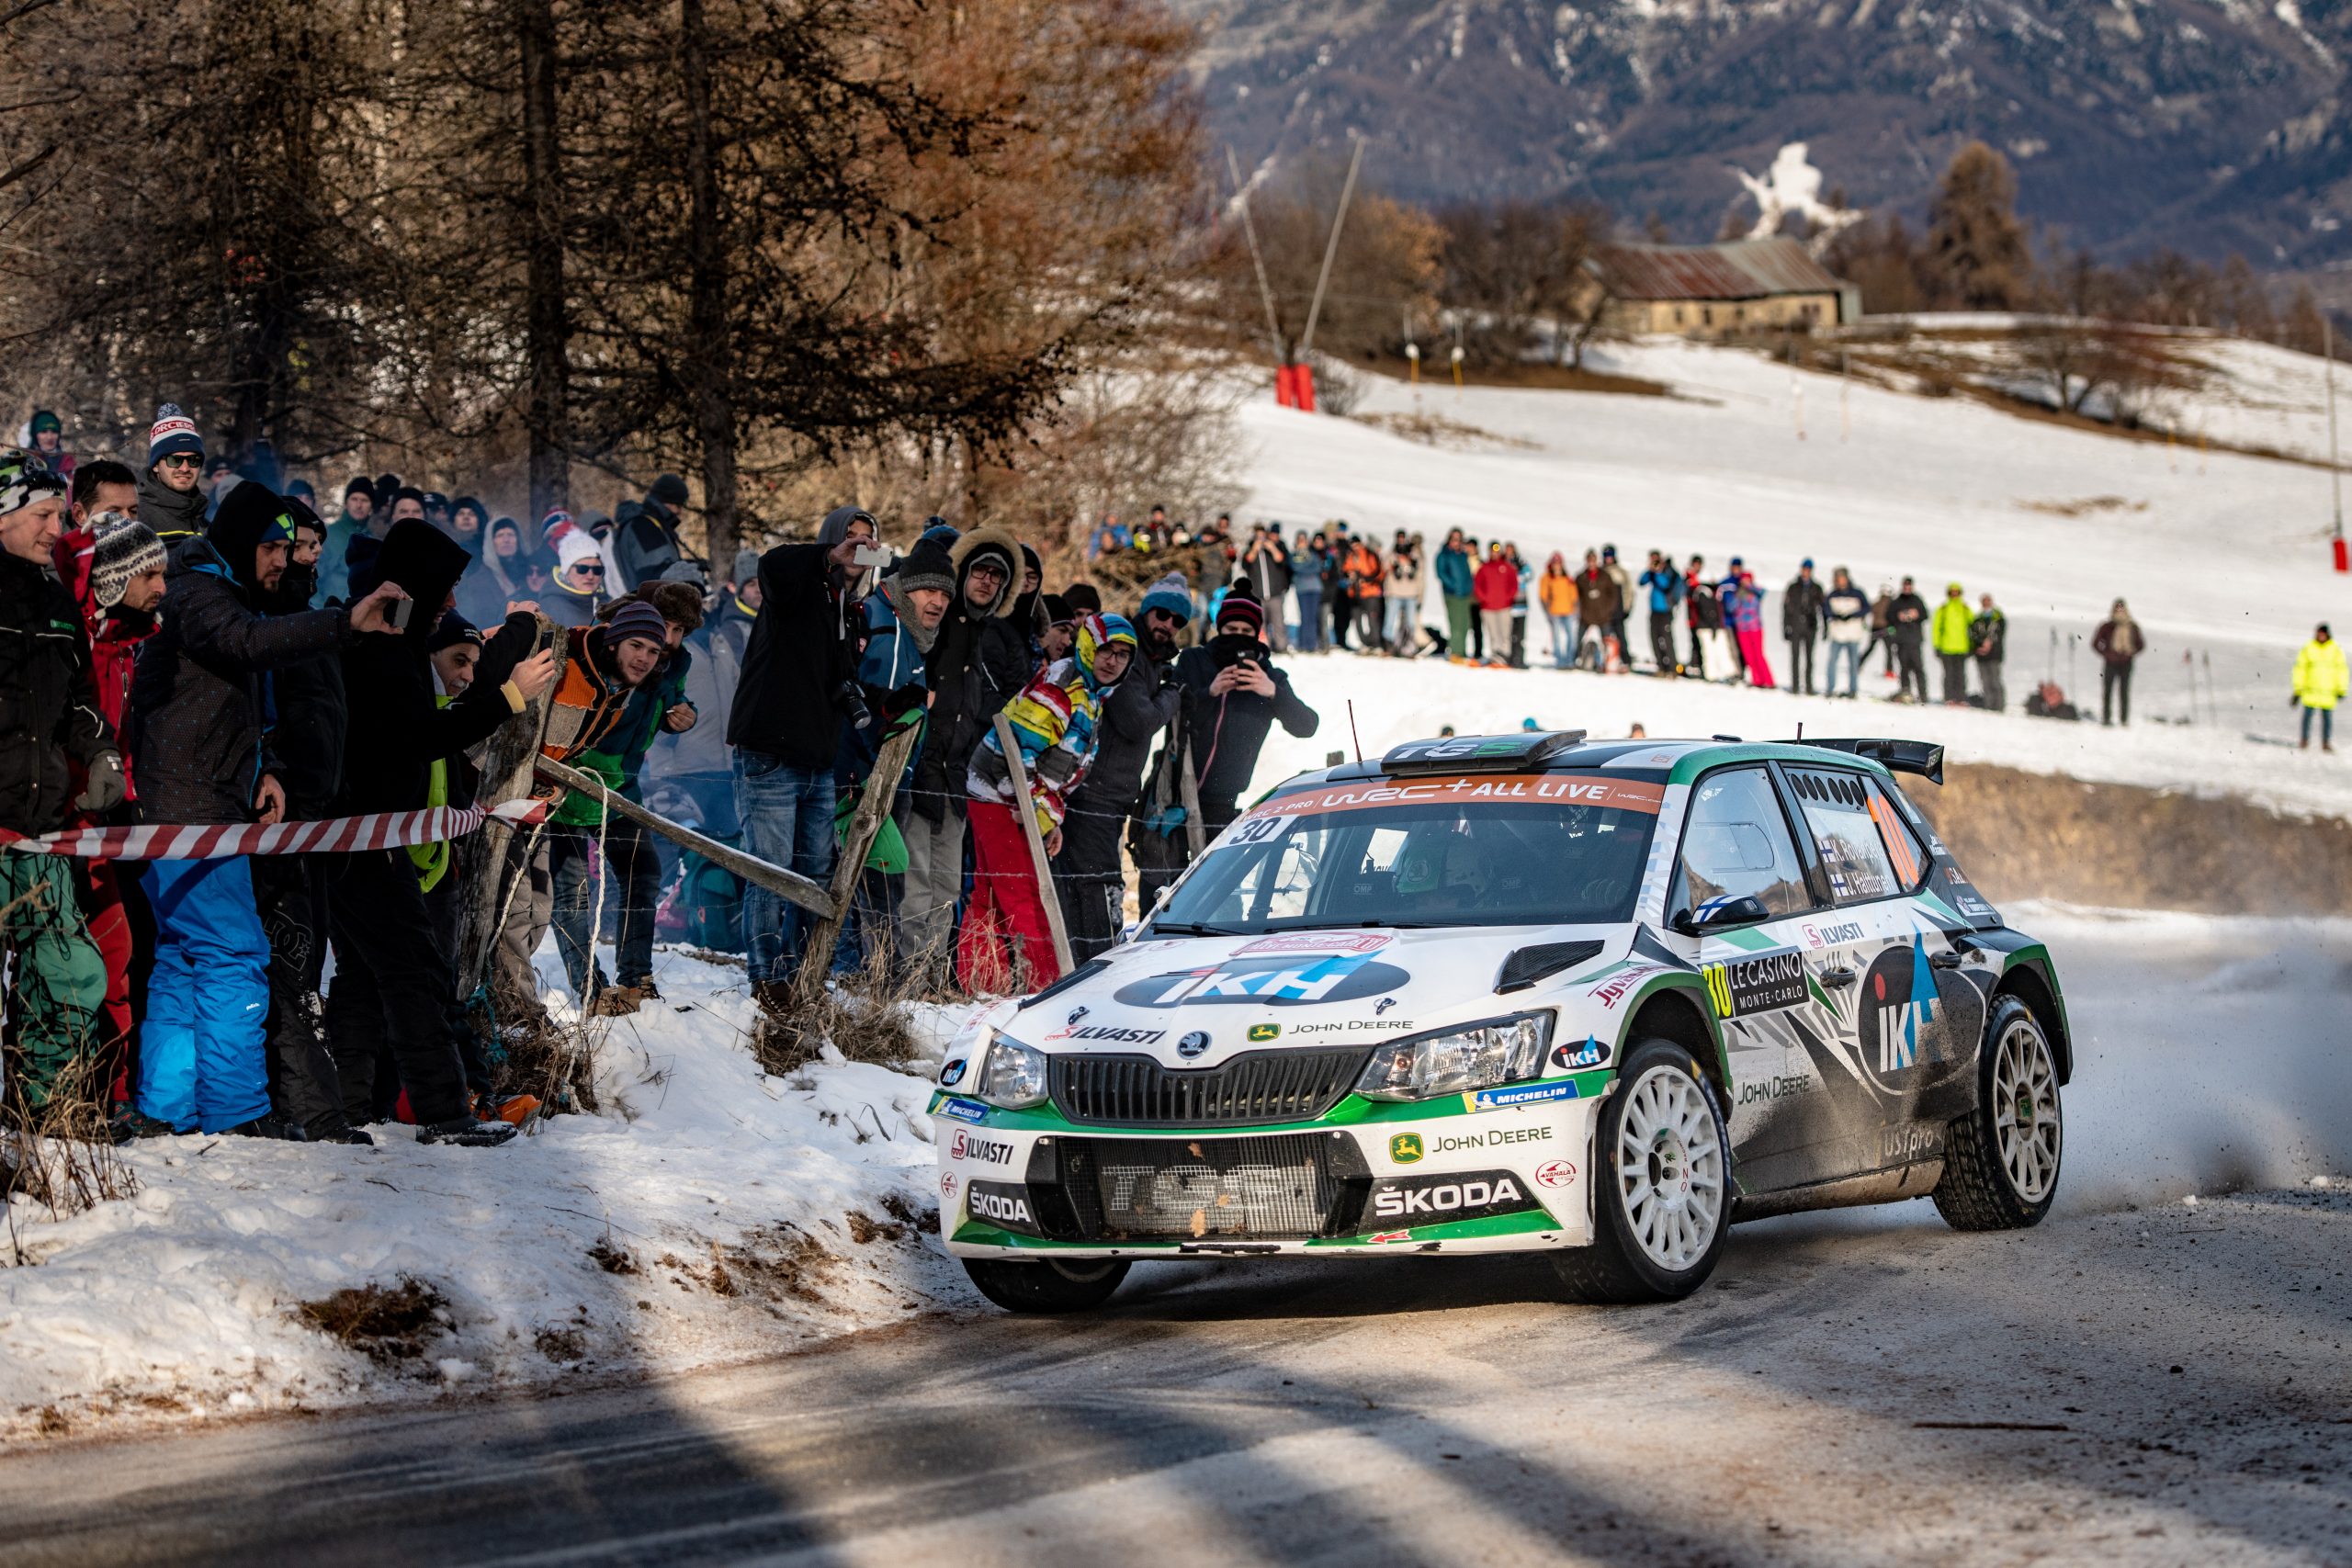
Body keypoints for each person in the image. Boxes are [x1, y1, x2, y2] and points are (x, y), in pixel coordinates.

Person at [123, 481, 407, 1137]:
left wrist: (267, 769)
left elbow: (234, 698)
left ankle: (168, 1108)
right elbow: (247, 644)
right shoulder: (197, 591)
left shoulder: (218, 592)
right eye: (274, 547)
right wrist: (345, 623)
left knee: (184, 957)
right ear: (241, 541)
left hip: (202, 799)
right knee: (234, 952)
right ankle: (234, 1114)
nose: (284, 560)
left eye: (288, 547)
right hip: (191, 808)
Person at [329, 521, 555, 1145]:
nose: (453, 601)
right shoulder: (386, 650)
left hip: (367, 837)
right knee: (414, 974)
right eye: (446, 588)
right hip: (368, 838)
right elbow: (422, 735)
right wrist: (508, 695)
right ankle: (444, 1111)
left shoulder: (393, 643)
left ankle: (351, 1104)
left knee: (362, 978)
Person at [0, 455, 117, 1173]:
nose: (57, 527)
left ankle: (40, 1114)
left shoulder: (52, 593)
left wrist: (99, 751)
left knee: (74, 975)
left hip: (41, 832)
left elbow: (78, 693)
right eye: (43, 515)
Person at [727, 505, 878, 1005]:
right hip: (770, 751)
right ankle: (766, 979)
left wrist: (894, 705)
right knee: (771, 872)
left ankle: (806, 977)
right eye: (849, 538)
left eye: (867, 540)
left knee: (815, 877)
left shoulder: (850, 609)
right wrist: (828, 554)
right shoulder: (796, 586)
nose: (858, 546)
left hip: (818, 761)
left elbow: (838, 682)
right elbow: (772, 564)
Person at [959, 612, 1135, 994]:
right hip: (1002, 796)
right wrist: (1035, 814)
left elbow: (1057, 768)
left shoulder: (1091, 695)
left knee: (991, 894)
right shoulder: (1063, 687)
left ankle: (982, 982)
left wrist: (1050, 819)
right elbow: (1017, 752)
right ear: (1089, 647)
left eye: (1123, 655)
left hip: (1013, 799)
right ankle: (1048, 989)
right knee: (1026, 894)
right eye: (1106, 650)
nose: (1113, 661)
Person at [51, 511, 165, 1094]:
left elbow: (119, 741)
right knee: (67, 967)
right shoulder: (74, 641)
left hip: (107, 824)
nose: (163, 588)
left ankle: (110, 1095)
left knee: (117, 955)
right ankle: (57, 1097)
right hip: (55, 826)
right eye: (150, 575)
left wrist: (132, 794)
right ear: (116, 579)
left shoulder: (129, 644)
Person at [544, 597, 692, 1012]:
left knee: (644, 873)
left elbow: (672, 701)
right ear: (615, 640)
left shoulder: (663, 672)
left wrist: (685, 712)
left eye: (656, 647)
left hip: (621, 785)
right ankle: (590, 988)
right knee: (572, 890)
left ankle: (635, 979)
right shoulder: (587, 664)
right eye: (637, 646)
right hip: (566, 782)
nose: (647, 656)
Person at [1133, 582, 1317, 912]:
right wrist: (1209, 691)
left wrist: (1272, 691)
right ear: (1220, 628)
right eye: (1231, 629)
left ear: (1257, 633)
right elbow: (1167, 710)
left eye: (1246, 630)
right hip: (1171, 792)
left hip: (1223, 802)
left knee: (1218, 897)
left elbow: (1306, 725)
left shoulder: (1270, 675)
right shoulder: (1194, 661)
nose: (1238, 636)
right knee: (1159, 887)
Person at [827, 540, 948, 976]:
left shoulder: (909, 632)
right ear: (908, 588)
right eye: (929, 591)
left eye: (945, 594)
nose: (938, 602)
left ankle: (867, 974)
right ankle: (870, 976)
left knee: (875, 879)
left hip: (886, 777)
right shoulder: (887, 624)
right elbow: (865, 704)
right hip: (867, 779)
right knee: (876, 881)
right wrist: (865, 776)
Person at [1058, 584, 1184, 961]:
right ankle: (1097, 962)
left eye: (1178, 620)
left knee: (1094, 881)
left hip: (1112, 793)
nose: (1167, 624)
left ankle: (1086, 957)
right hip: (1093, 791)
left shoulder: (1148, 659)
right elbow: (1138, 721)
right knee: (1098, 882)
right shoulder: (1126, 654)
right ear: (1146, 611)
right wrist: (1171, 694)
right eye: (1161, 614)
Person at [136, 403, 211, 545]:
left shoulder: (203, 517)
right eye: (175, 460)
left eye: (193, 460)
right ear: (156, 465)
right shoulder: (137, 517)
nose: (185, 468)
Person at [613, 473, 695, 589]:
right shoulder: (645, 527)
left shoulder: (649, 524)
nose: (680, 512)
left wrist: (689, 565)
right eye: (679, 505)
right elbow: (655, 578)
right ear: (668, 501)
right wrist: (691, 574)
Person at [541, 512, 608, 627]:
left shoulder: (609, 603)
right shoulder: (551, 609)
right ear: (566, 572)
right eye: (582, 569)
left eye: (597, 570)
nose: (590, 575)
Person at [2293, 623, 2346, 750]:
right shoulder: (2309, 648)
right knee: (2307, 718)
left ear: (2327, 634)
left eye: (2323, 633)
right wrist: (2298, 689)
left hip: (2328, 692)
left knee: (2327, 719)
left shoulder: (2335, 650)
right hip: (2310, 690)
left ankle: (2326, 743)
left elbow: (2341, 670)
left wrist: (2341, 688)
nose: (2320, 636)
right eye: (2318, 633)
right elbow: (2300, 669)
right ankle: (2304, 740)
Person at [1240, 525, 1292, 653]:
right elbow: (1246, 562)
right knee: (1259, 624)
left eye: (1263, 535)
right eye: (1258, 536)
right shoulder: (1250, 549)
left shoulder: (1276, 547)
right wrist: (1254, 549)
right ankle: (1261, 647)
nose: (1261, 539)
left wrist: (1272, 548)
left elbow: (1281, 559)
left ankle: (1281, 647)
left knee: (1278, 622)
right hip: (1257, 593)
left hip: (1275, 593)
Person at [2092, 599, 2143, 726]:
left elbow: (2140, 644)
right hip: (2111, 662)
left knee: (2124, 691)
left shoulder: (2132, 626)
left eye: (2122, 608)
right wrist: (2107, 654)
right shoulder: (2108, 626)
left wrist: (2131, 652)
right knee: (2108, 691)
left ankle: (2124, 719)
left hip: (2126, 663)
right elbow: (2096, 643)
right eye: (2117, 608)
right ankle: (2106, 718)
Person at [1822, 568, 1871, 699]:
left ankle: (1853, 690)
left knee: (1854, 664)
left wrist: (1852, 615)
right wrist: (1836, 616)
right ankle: (1830, 688)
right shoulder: (1832, 594)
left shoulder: (1857, 593)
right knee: (1832, 662)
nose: (1840, 581)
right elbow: (1826, 610)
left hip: (1853, 634)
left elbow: (1866, 608)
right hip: (1837, 633)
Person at [1465, 543, 1515, 670]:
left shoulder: (1507, 567)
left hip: (1504, 606)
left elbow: (1513, 585)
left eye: (1497, 551)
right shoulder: (1484, 568)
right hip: (1488, 607)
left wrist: (1507, 598)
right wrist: (1484, 598)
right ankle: (1495, 656)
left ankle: (1504, 656)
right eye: (1493, 551)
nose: (1495, 554)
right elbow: (1478, 585)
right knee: (1493, 633)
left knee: (1504, 633)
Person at [1726, 570, 1774, 688]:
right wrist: (1738, 597)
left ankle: (1768, 680)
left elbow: (1763, 592)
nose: (1745, 582)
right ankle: (1757, 680)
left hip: (1755, 628)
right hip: (1742, 628)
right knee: (1748, 656)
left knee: (1758, 654)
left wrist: (1750, 588)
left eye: (1747, 580)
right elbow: (1730, 608)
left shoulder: (1755, 593)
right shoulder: (1737, 594)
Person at [1573, 548, 1619, 672]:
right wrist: (1580, 610)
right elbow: (1576, 595)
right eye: (1589, 560)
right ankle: (1576, 660)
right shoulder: (1581, 577)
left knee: (1607, 642)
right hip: (1586, 615)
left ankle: (1608, 664)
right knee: (1578, 639)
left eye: (1593, 560)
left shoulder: (1605, 576)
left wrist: (1608, 609)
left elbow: (1613, 594)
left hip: (1603, 615)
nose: (1591, 563)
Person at [1782, 559, 1824, 695]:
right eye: (1804, 569)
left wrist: (1825, 627)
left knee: (1809, 659)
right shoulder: (1793, 587)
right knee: (1795, 657)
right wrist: (1785, 627)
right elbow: (1786, 608)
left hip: (1810, 626)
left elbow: (1822, 608)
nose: (1806, 571)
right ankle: (1795, 686)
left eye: (1808, 569)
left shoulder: (1816, 587)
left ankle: (1809, 686)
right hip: (1795, 626)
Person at [1640, 550, 1683, 675]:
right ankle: (1661, 666)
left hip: (1666, 611)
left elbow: (1666, 586)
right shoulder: (1652, 573)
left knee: (1667, 640)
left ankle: (1672, 667)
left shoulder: (1668, 572)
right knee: (1654, 638)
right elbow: (1641, 582)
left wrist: (1658, 572)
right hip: (1654, 611)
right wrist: (1649, 570)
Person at [1930, 581, 1973, 705]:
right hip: (1946, 647)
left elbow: (1973, 626)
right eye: (1952, 592)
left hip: (1962, 647)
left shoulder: (1965, 609)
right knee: (1948, 674)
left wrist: (1972, 645)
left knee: (1961, 675)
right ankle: (1949, 697)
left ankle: (1961, 698)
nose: (1954, 595)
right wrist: (1937, 645)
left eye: (1957, 592)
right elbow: (1936, 628)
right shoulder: (1943, 609)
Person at [1888, 577, 1930, 704]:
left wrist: (1915, 615)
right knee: (1904, 668)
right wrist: (1898, 616)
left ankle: (1923, 694)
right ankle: (1906, 693)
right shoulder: (1897, 601)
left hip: (1915, 640)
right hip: (1901, 640)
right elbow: (1889, 616)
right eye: (1905, 586)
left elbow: (1925, 615)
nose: (1907, 588)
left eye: (1909, 586)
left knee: (1918, 668)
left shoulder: (1917, 600)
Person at [1436, 528, 1476, 660]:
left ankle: (1462, 652)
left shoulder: (1463, 555)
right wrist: (1453, 586)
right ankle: (1455, 652)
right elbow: (1441, 573)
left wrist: (1469, 587)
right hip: (1452, 594)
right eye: (1454, 539)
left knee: (1464, 624)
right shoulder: (1444, 555)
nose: (1456, 542)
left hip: (1465, 594)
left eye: (1459, 539)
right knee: (1456, 624)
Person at [1684, 555, 1724, 680]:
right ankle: (1696, 664)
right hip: (1694, 615)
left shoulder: (1702, 580)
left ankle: (1701, 666)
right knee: (1695, 640)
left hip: (1702, 617)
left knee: (1702, 643)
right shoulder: (1688, 578)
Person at [1385, 531, 1423, 657]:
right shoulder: (1392, 553)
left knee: (1410, 623)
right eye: (1399, 538)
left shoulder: (1414, 554)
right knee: (1390, 621)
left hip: (1411, 593)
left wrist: (1410, 562)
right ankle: (1389, 646)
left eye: (1403, 538)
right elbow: (1385, 566)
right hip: (1395, 592)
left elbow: (1419, 573)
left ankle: (1408, 647)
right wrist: (1395, 562)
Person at [1538, 552, 1577, 669]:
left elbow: (1573, 594)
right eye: (1555, 563)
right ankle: (1559, 660)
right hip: (1554, 611)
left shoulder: (1567, 578)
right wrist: (1547, 609)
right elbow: (1543, 595)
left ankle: (1570, 660)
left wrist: (1575, 606)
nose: (1557, 565)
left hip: (1568, 611)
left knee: (1571, 636)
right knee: (1556, 637)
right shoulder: (1547, 578)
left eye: (1559, 563)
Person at [1970, 592, 2007, 712]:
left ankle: (1999, 705)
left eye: (1988, 601)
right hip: (1981, 656)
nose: (1986, 604)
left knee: (1995, 680)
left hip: (1994, 655)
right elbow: (1974, 635)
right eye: (1984, 602)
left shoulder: (1998, 617)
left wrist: (1989, 643)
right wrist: (1980, 646)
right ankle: (1989, 705)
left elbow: (2000, 634)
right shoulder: (1978, 619)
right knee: (1985, 681)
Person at [1291, 531, 1326, 654]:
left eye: (1304, 540)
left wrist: (1306, 564)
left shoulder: (1312, 553)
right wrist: (1308, 566)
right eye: (1299, 540)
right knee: (1305, 616)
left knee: (1313, 617)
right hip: (1302, 589)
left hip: (1315, 588)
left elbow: (1318, 567)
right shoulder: (1295, 554)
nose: (1302, 542)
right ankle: (1303, 644)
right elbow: (1296, 567)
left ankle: (1312, 644)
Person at [1600, 546, 1634, 667]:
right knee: (1606, 638)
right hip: (1605, 612)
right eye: (1606, 556)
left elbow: (1629, 590)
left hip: (1618, 610)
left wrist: (1627, 607)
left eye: (1610, 556)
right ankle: (1607, 661)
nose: (1608, 559)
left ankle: (1626, 660)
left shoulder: (1621, 572)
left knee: (1621, 637)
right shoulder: (1601, 571)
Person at [26, 409, 74, 481]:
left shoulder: (68, 462)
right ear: (35, 434)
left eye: (54, 431)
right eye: (44, 431)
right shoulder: (26, 462)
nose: (49, 437)